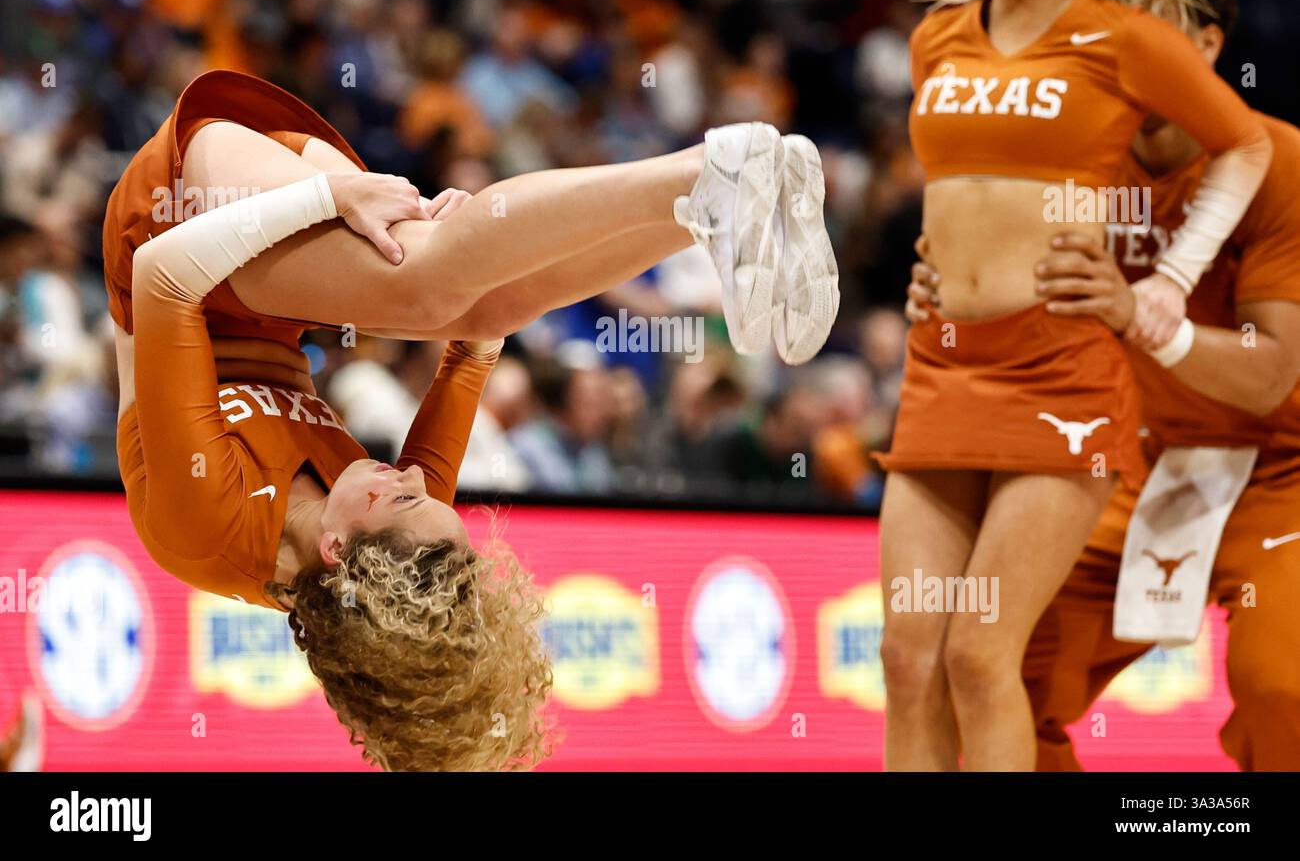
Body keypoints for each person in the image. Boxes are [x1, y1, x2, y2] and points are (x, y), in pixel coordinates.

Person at [107, 70, 838, 770]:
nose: (411, 477)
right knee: (477, 305)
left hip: (169, 229)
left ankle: (708, 175)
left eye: (401, 495)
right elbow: (473, 351)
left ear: (334, 553)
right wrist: (480, 248)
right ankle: (702, 218)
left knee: (427, 292)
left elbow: (163, 280)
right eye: (421, 492)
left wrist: (336, 200)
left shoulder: (205, 526)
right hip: (261, 289)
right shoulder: (398, 535)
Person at [876, 0, 1272, 771]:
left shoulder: (1125, 40)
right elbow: (970, 190)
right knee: (908, 660)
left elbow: (1244, 145)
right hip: (939, 366)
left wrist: (1167, 283)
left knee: (981, 656)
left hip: (1059, 377)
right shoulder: (937, 37)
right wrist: (943, 264)